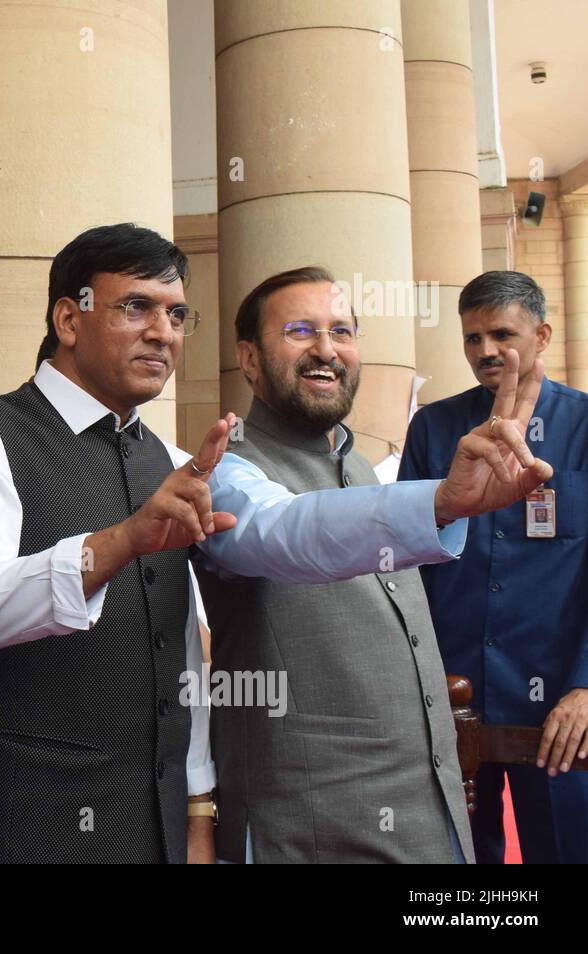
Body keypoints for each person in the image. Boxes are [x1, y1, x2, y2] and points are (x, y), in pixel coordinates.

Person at [0, 223, 552, 864]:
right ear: (70, 318)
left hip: (161, 825)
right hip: (26, 821)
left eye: (176, 315)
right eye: (136, 308)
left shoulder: (173, 461)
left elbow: (181, 661)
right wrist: (118, 543)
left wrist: (199, 809)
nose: (163, 332)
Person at [199, 266, 487, 862]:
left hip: (430, 821)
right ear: (249, 359)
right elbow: (284, 531)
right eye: (300, 331)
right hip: (310, 833)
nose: (327, 349)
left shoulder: (364, 465)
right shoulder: (225, 474)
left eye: (342, 331)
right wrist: (437, 502)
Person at [401, 269, 588, 863]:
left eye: (501, 334)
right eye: (472, 337)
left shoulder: (585, 426)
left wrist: (587, 684)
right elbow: (402, 561)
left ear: (543, 335)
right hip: (450, 699)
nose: (485, 351)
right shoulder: (433, 428)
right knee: (455, 862)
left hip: (559, 707)